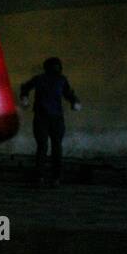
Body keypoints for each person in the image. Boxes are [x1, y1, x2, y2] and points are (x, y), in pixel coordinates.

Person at [20, 57, 81, 185]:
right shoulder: (41, 79)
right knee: (45, 146)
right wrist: (24, 98)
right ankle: (43, 177)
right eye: (54, 66)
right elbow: (25, 88)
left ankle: (53, 177)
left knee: (54, 147)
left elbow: (68, 93)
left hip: (54, 118)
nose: (56, 68)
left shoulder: (61, 80)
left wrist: (74, 101)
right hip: (44, 117)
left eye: (57, 66)